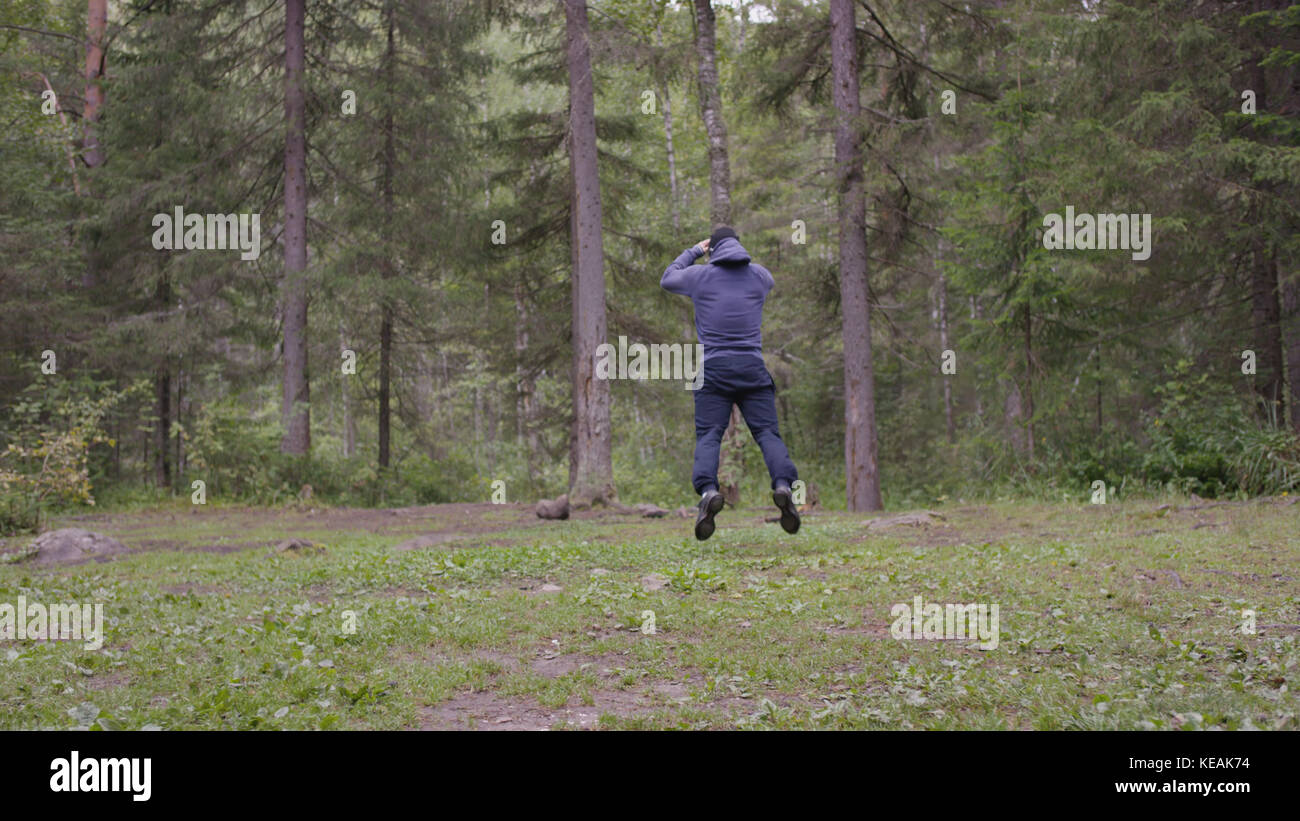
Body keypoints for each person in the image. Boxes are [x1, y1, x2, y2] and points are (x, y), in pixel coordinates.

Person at [661, 225, 801, 541]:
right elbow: (767, 280)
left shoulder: (699, 277)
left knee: (709, 434)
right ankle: (782, 485)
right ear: (738, 246)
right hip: (752, 367)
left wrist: (695, 251)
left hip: (713, 369)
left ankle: (709, 492)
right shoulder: (760, 276)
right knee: (767, 433)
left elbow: (668, 277)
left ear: (713, 250)